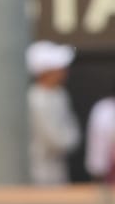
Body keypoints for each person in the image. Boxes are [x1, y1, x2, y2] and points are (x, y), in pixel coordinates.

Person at [24, 40, 79, 185]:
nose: (63, 71)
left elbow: (71, 132)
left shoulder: (60, 95)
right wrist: (68, 140)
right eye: (58, 67)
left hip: (58, 169)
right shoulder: (35, 99)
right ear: (46, 72)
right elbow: (55, 139)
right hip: (40, 172)